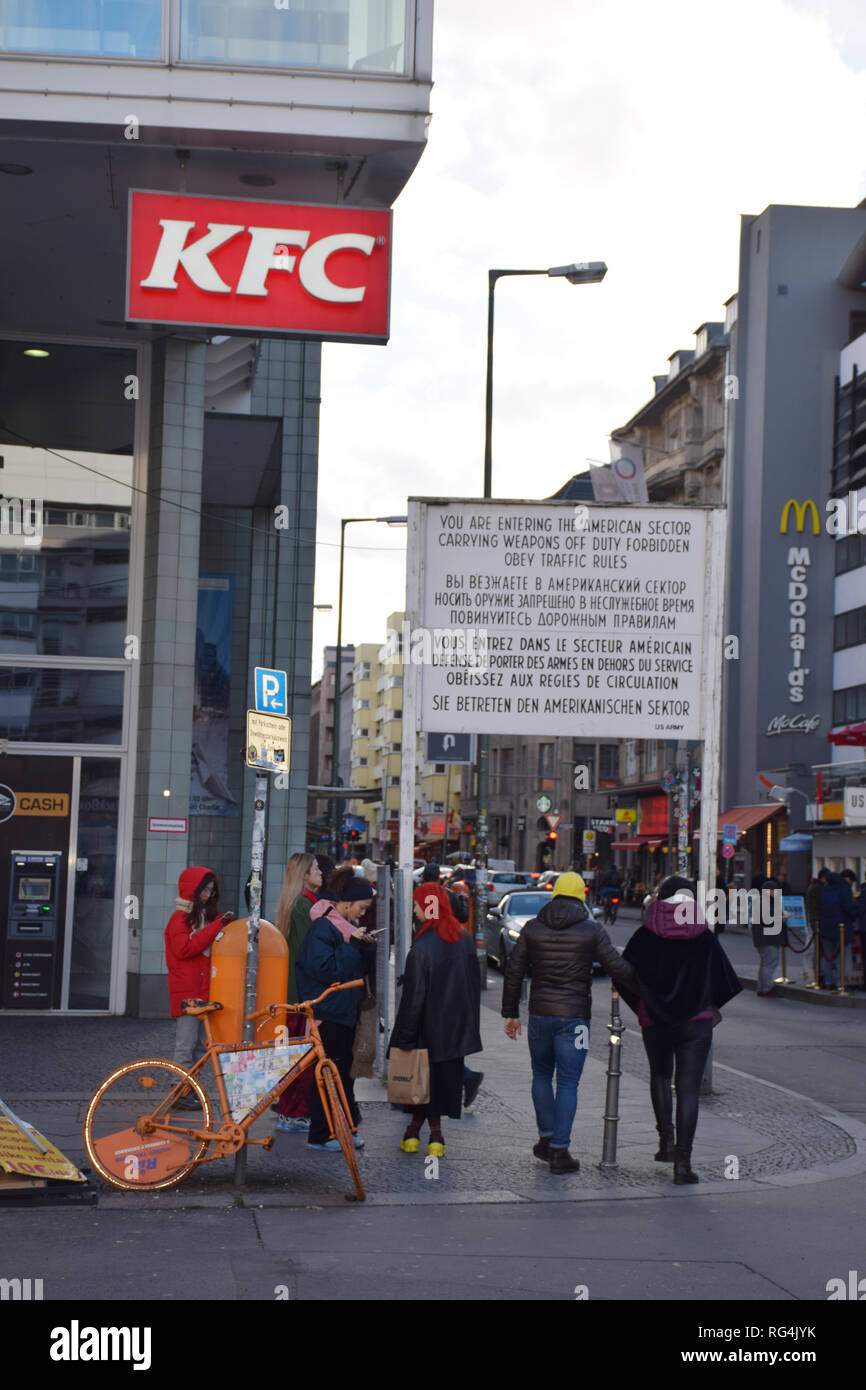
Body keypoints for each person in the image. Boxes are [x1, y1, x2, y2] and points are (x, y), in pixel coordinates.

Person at [502, 872, 638, 1175]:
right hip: (575, 1018)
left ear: (555, 895)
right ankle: (560, 1152)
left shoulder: (532, 928)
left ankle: (545, 1140)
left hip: (539, 1014)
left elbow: (514, 972)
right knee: (567, 1082)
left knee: (540, 1075)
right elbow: (617, 967)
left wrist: (510, 1013)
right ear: (581, 897)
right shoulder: (591, 930)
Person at [621, 875, 741, 1184]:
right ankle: (684, 1164)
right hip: (696, 1024)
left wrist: (644, 1003)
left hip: (656, 1022)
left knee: (660, 1076)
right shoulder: (704, 936)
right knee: (688, 1090)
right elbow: (726, 981)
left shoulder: (645, 935)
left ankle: (666, 1143)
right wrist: (708, 1004)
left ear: (661, 898)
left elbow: (624, 975)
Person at [389, 864, 482, 1158]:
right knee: (441, 1087)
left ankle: (418, 1137)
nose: (414, 909)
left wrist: (402, 1037)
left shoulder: (422, 947)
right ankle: (432, 1138)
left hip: (425, 1031)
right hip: (455, 1031)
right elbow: (473, 987)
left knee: (422, 1087)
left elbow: (413, 999)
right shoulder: (463, 940)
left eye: (416, 904)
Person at [295, 865, 376, 1151]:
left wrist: (364, 945)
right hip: (328, 1013)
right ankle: (322, 1134)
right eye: (361, 908)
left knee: (343, 1076)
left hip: (342, 1012)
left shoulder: (344, 928)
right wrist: (353, 944)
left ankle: (343, 1129)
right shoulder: (324, 928)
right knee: (330, 1075)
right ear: (346, 903)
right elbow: (328, 969)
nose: (362, 914)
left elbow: (352, 966)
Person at [164, 866, 234, 1082]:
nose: (207, 895)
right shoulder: (179, 919)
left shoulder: (202, 918)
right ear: (191, 890)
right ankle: (179, 1090)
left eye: (211, 891)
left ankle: (188, 1089)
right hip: (188, 994)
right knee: (186, 1046)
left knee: (200, 1047)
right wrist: (217, 926)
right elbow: (185, 948)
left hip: (202, 992)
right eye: (203, 890)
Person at [271, 853, 323, 1133]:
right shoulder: (304, 907)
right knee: (300, 1057)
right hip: (301, 995)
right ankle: (292, 1113)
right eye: (315, 868)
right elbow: (311, 952)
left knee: (294, 1055)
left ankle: (290, 1110)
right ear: (304, 874)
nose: (320, 872)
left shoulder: (297, 904)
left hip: (294, 993)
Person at [816, 868, 856, 989]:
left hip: (825, 928)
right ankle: (840, 983)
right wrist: (854, 916)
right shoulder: (844, 888)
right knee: (841, 957)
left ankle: (828, 982)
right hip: (841, 928)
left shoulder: (825, 889)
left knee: (827, 956)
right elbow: (848, 907)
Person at [751, 871, 783, 997]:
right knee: (770, 963)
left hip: (763, 938)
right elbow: (768, 919)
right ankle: (767, 988)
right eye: (774, 891)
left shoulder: (761, 901)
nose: (776, 893)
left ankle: (761, 987)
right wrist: (781, 918)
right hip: (768, 938)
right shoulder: (766, 903)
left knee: (765, 963)